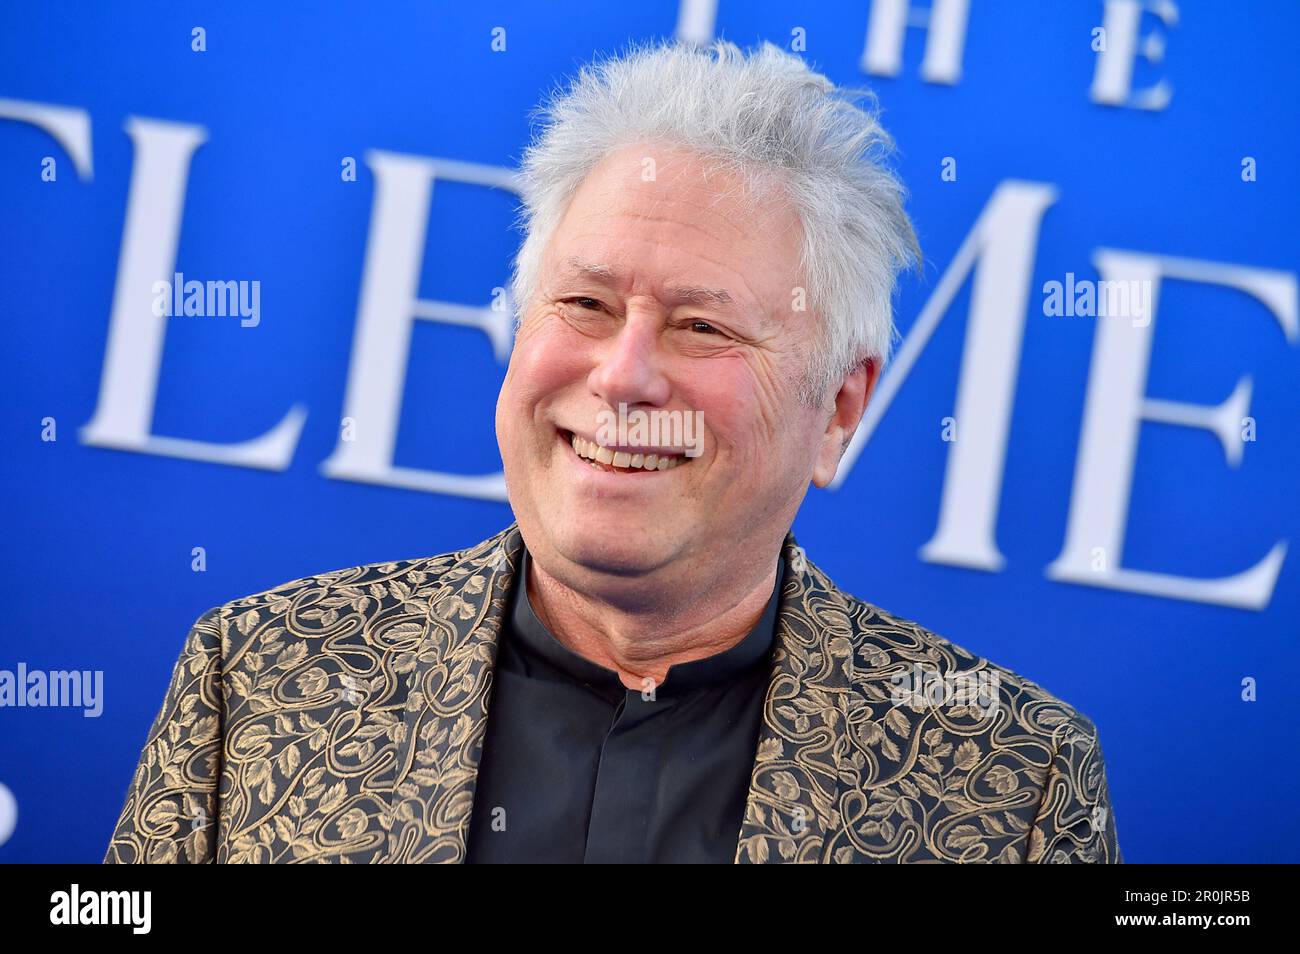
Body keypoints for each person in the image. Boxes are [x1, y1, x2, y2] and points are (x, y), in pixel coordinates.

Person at [105, 39, 1120, 864]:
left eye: (703, 328)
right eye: (585, 305)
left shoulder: (1015, 783)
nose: (624, 376)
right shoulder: (261, 678)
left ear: (838, 410)